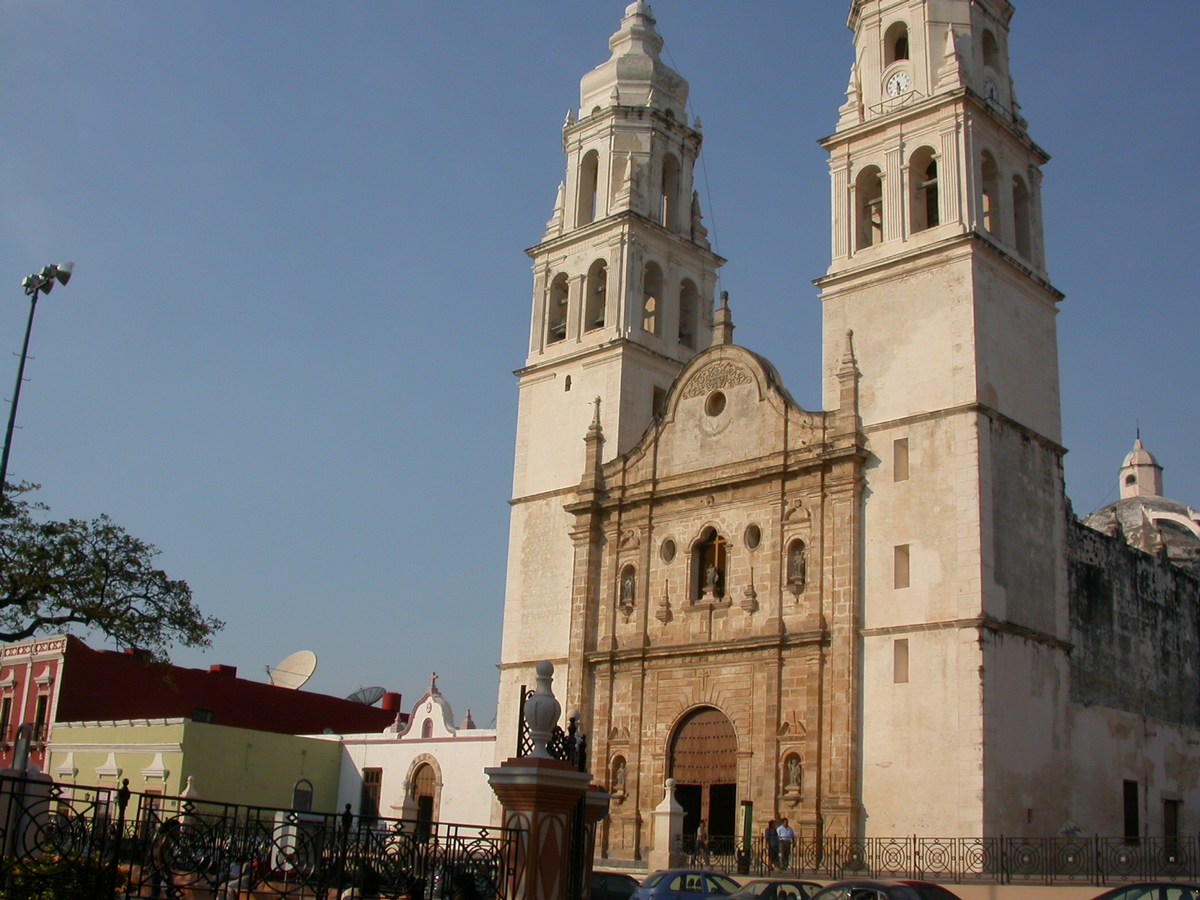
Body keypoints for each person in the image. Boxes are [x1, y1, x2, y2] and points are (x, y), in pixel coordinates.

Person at [147, 817, 181, 899]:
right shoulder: (165, 839)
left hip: (159, 867)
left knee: (157, 892)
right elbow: (158, 853)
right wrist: (161, 869)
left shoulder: (164, 838)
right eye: (177, 829)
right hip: (161, 868)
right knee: (167, 892)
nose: (178, 832)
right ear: (171, 829)